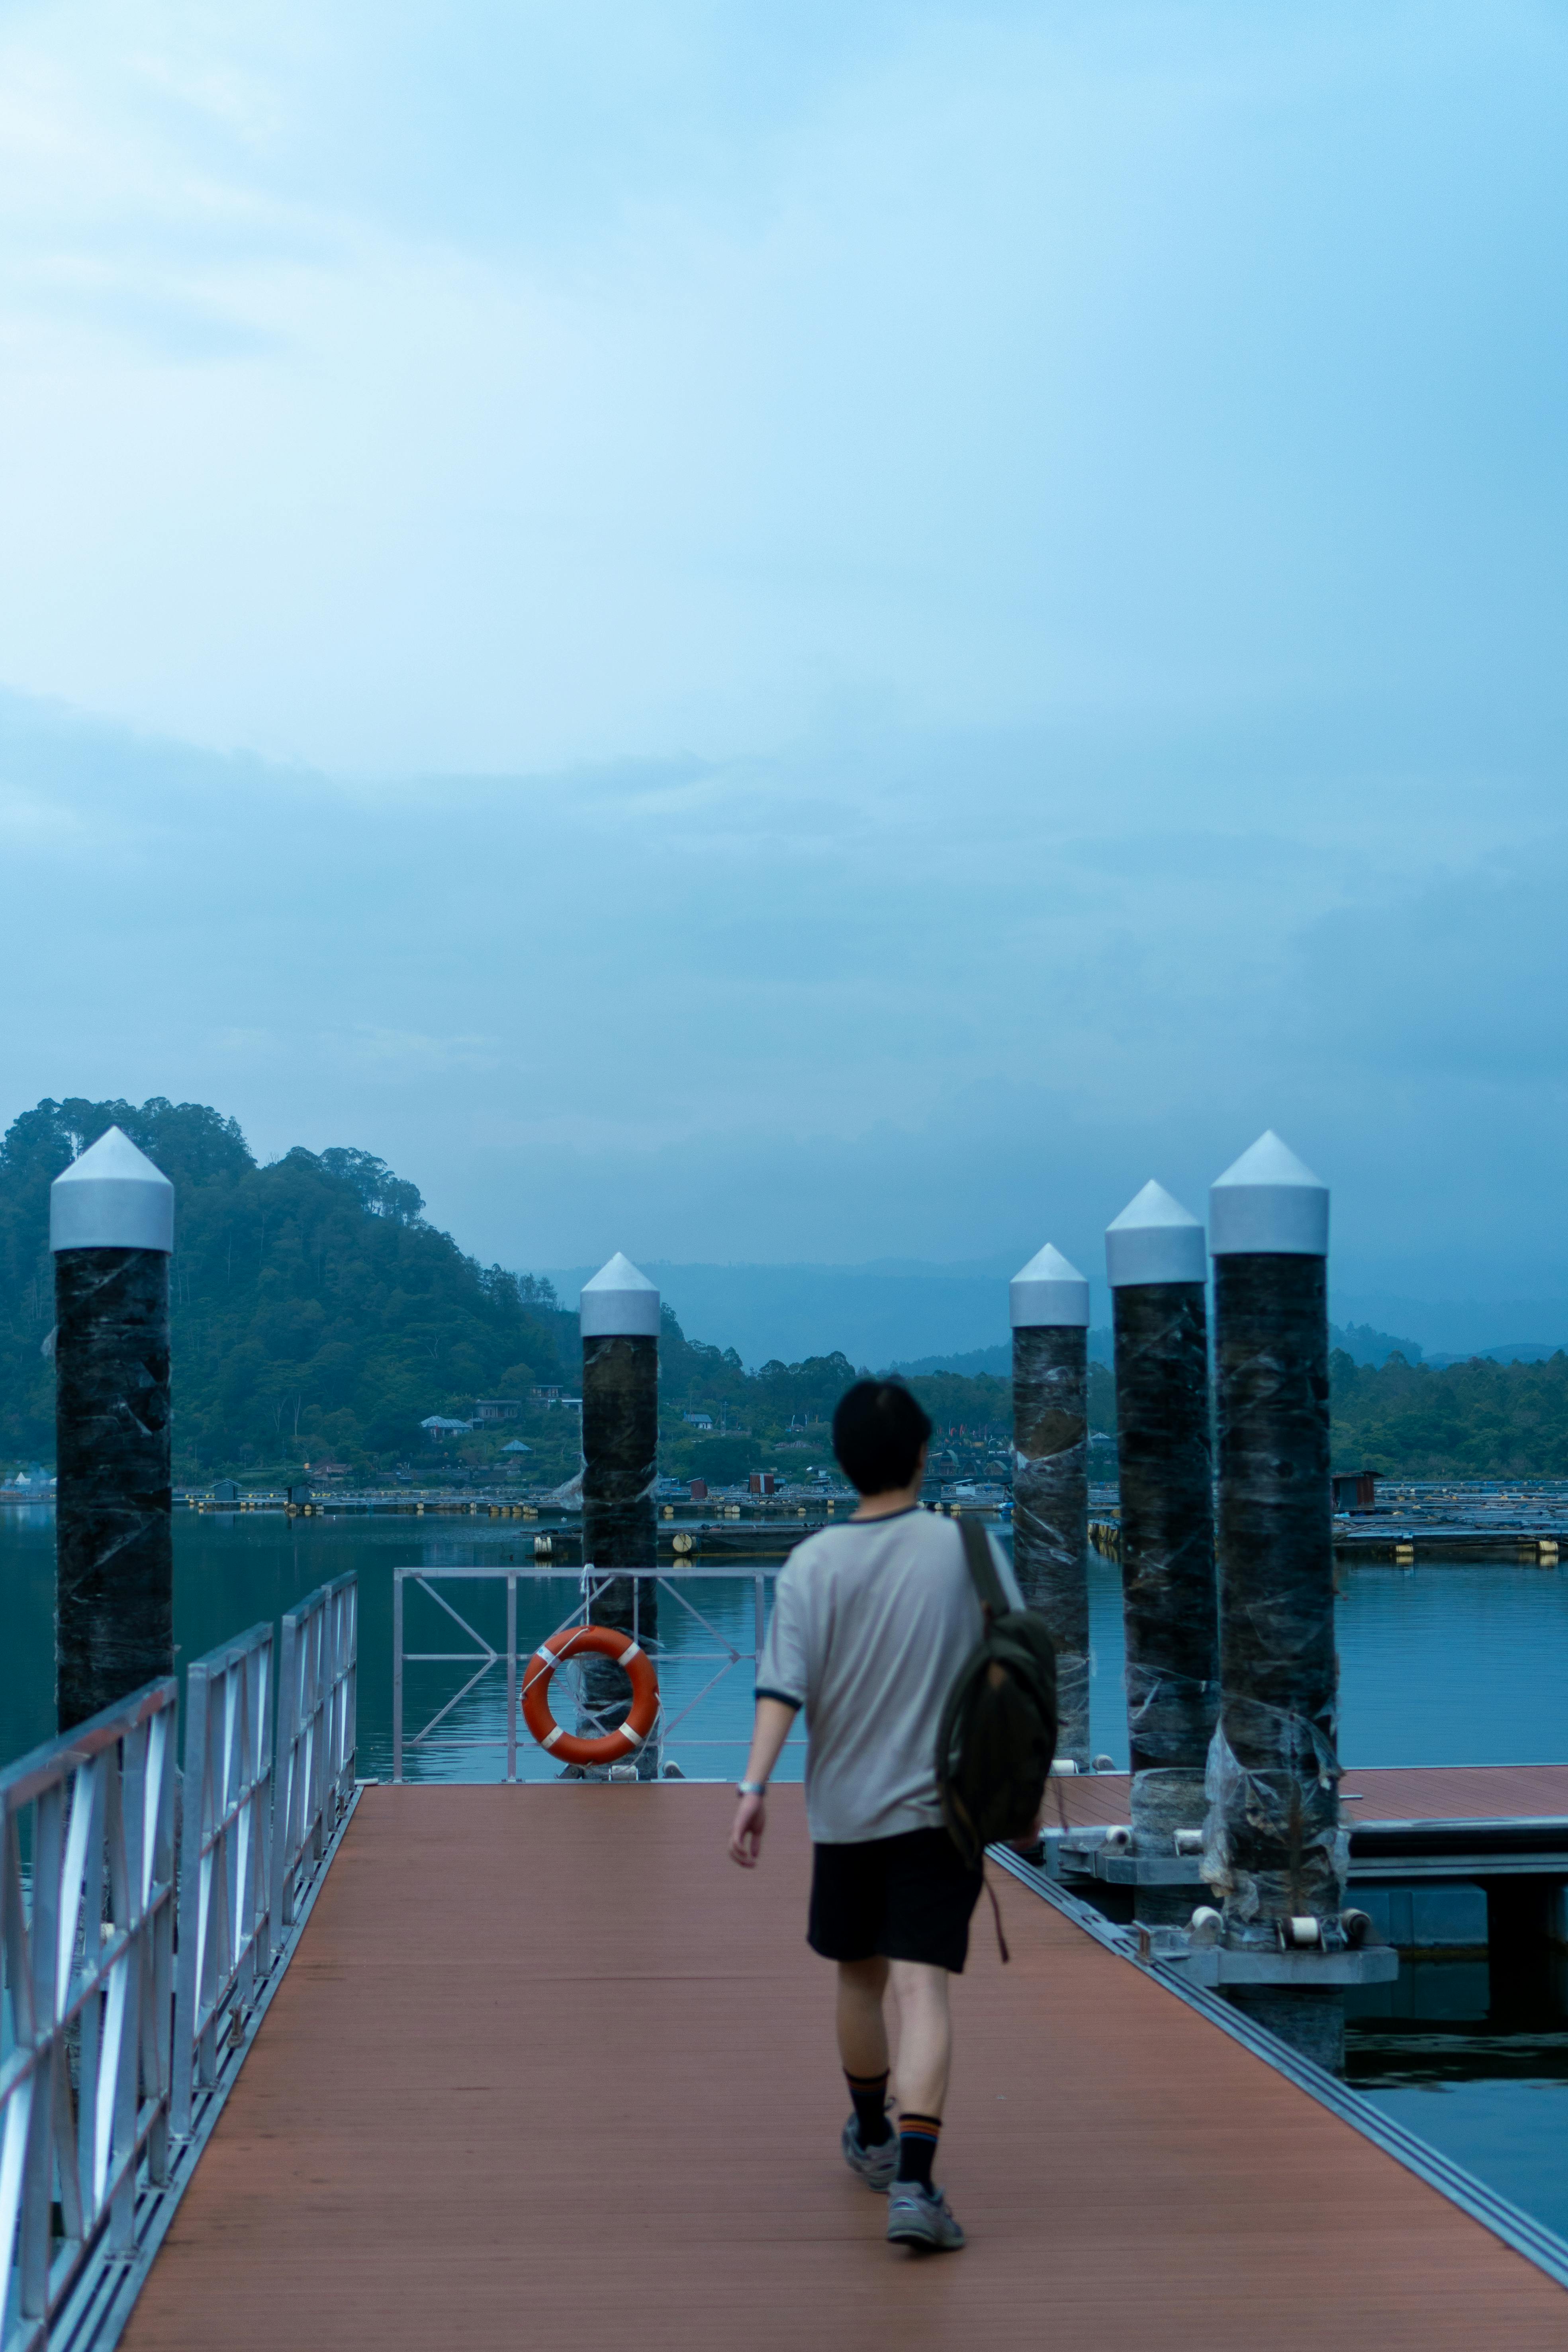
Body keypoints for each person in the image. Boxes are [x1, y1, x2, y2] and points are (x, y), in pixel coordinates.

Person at [728, 1378, 1027, 2254]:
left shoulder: (813, 1562)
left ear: (842, 1461)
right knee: (921, 1987)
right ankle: (918, 2187)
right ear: (925, 1453)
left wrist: (752, 1789)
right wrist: (1024, 1798)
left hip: (845, 1814)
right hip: (943, 1809)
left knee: (857, 1979)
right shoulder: (968, 1548)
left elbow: (782, 1688)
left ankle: (871, 2135)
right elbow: (1013, 1677)